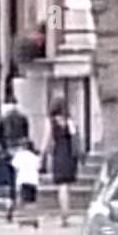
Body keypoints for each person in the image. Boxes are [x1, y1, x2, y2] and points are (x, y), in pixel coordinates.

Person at [42, 97, 79, 226]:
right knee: (67, 186)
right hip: (70, 154)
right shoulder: (69, 121)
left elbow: (47, 139)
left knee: (61, 186)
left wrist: (43, 154)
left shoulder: (51, 122)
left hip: (59, 153)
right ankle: (66, 213)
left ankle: (64, 215)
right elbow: (75, 137)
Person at [0, 100, 31, 221]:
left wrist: (2, 149)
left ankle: (11, 202)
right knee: (21, 177)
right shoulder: (22, 118)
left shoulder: (2, 118)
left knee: (9, 180)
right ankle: (20, 199)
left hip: (7, 152)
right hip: (20, 150)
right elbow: (26, 135)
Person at [11, 138, 41, 228]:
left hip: (23, 180)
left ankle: (22, 218)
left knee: (22, 200)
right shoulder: (34, 156)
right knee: (32, 201)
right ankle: (33, 218)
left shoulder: (19, 155)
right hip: (33, 180)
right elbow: (38, 167)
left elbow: (14, 165)